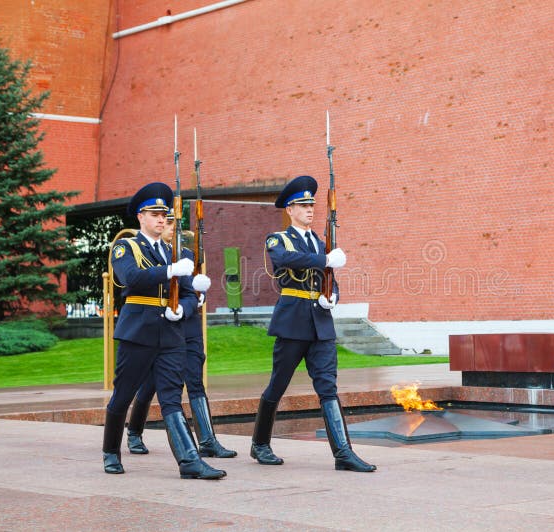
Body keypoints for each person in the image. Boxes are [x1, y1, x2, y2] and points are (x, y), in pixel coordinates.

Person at [250, 175, 376, 472]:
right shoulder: (278, 239)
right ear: (290, 210)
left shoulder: (320, 243)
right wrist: (324, 260)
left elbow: (329, 280)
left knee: (327, 387)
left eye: (311, 205)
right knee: (278, 385)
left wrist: (332, 297)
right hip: (293, 321)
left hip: (320, 322)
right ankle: (260, 444)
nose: (309, 210)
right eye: (303, 205)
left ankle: (343, 453)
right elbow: (286, 260)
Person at [102, 182, 226, 480]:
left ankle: (190, 461)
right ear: (141, 217)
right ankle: (110, 451)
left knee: (171, 397)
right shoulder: (126, 246)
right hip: (139, 331)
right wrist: (169, 271)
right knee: (123, 394)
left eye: (164, 214)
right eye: (155, 214)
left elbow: (186, 291)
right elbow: (130, 277)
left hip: (171, 334)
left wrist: (184, 306)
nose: (161, 219)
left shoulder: (174, 251)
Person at [126, 217, 237, 459]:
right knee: (151, 383)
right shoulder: (150, 252)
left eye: (174, 225)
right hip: (162, 324)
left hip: (188, 324)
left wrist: (200, 296)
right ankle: (134, 431)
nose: (171, 229)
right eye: (167, 224)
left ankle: (207, 440)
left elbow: (192, 288)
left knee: (195, 379)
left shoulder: (186, 252)